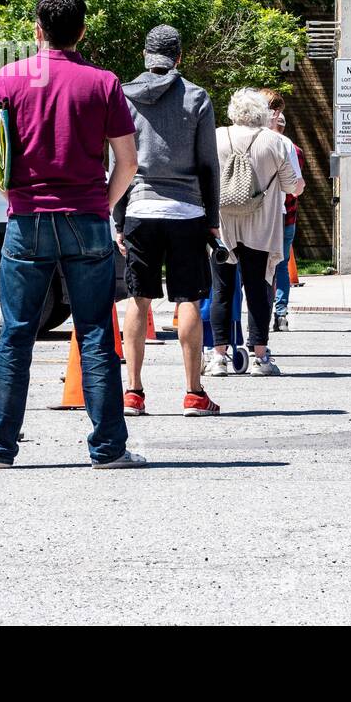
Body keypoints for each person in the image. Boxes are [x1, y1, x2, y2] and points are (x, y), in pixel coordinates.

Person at [0, 0, 145, 469]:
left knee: (16, 334)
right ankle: (108, 447)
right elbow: (128, 161)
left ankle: (0, 448)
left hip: (27, 220)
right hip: (86, 218)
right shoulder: (104, 83)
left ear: (37, 30)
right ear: (82, 31)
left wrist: (18, 199)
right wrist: (101, 205)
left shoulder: (10, 76)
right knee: (94, 332)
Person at [114, 25, 221, 418]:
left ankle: (133, 393)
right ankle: (194, 393)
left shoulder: (124, 96)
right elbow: (209, 163)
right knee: (188, 298)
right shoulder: (196, 97)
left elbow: (119, 162)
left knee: (137, 300)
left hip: (140, 208)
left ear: (146, 55)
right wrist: (212, 218)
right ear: (179, 57)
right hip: (187, 211)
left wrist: (119, 218)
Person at [205, 88, 303, 377]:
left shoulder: (217, 136)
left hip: (224, 225)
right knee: (259, 290)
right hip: (261, 226)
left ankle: (219, 357)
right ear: (262, 113)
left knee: (221, 290)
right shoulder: (275, 142)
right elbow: (291, 186)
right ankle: (260, 357)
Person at [270, 111, 305, 332]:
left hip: (266, 217)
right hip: (288, 216)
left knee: (260, 266)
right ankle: (280, 313)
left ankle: (260, 312)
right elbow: (297, 186)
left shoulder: (265, 145)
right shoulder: (296, 150)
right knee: (281, 266)